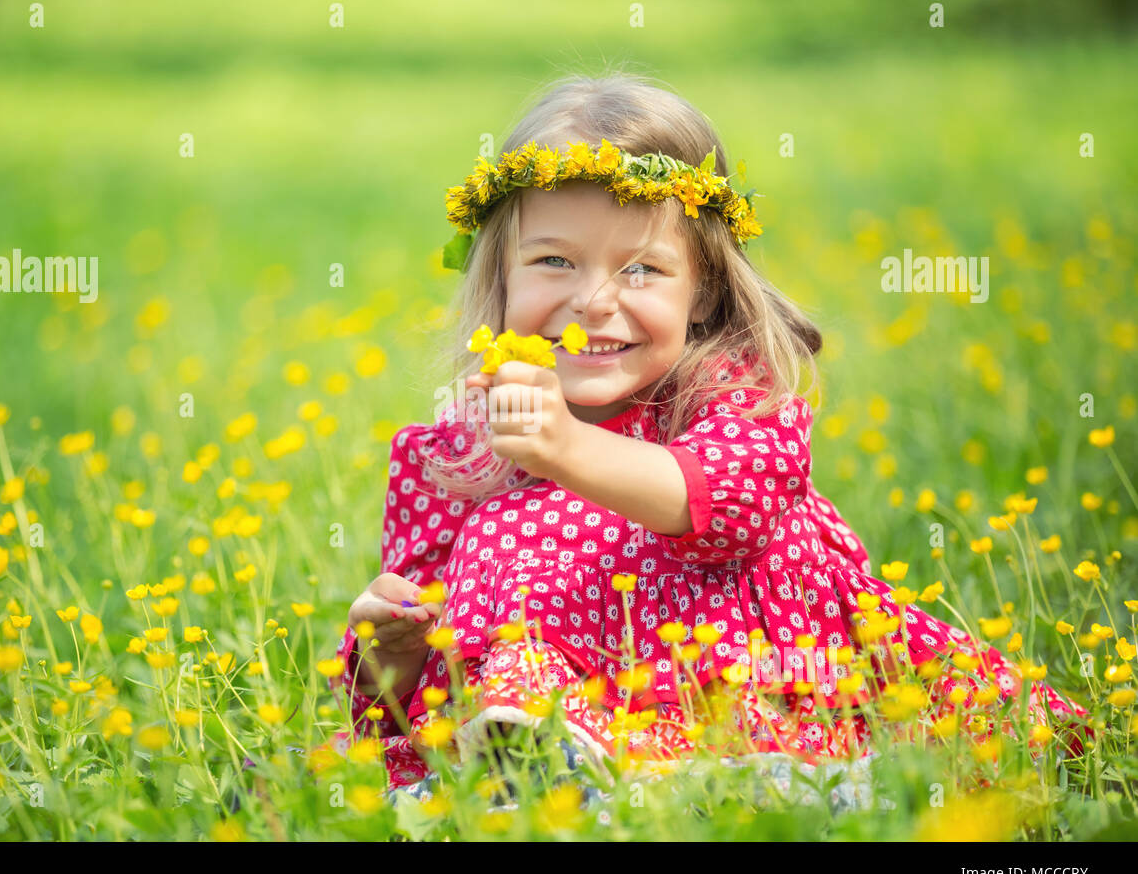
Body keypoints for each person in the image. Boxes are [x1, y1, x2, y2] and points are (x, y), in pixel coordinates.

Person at [326, 72, 1092, 792]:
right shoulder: (455, 457)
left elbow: (722, 508)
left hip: (732, 689)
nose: (594, 300)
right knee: (497, 549)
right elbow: (415, 690)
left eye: (642, 271)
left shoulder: (736, 404)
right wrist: (389, 657)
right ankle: (538, 751)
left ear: (704, 292)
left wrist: (564, 449)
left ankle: (658, 772)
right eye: (554, 260)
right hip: (519, 715)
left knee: (530, 525)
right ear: (500, 280)